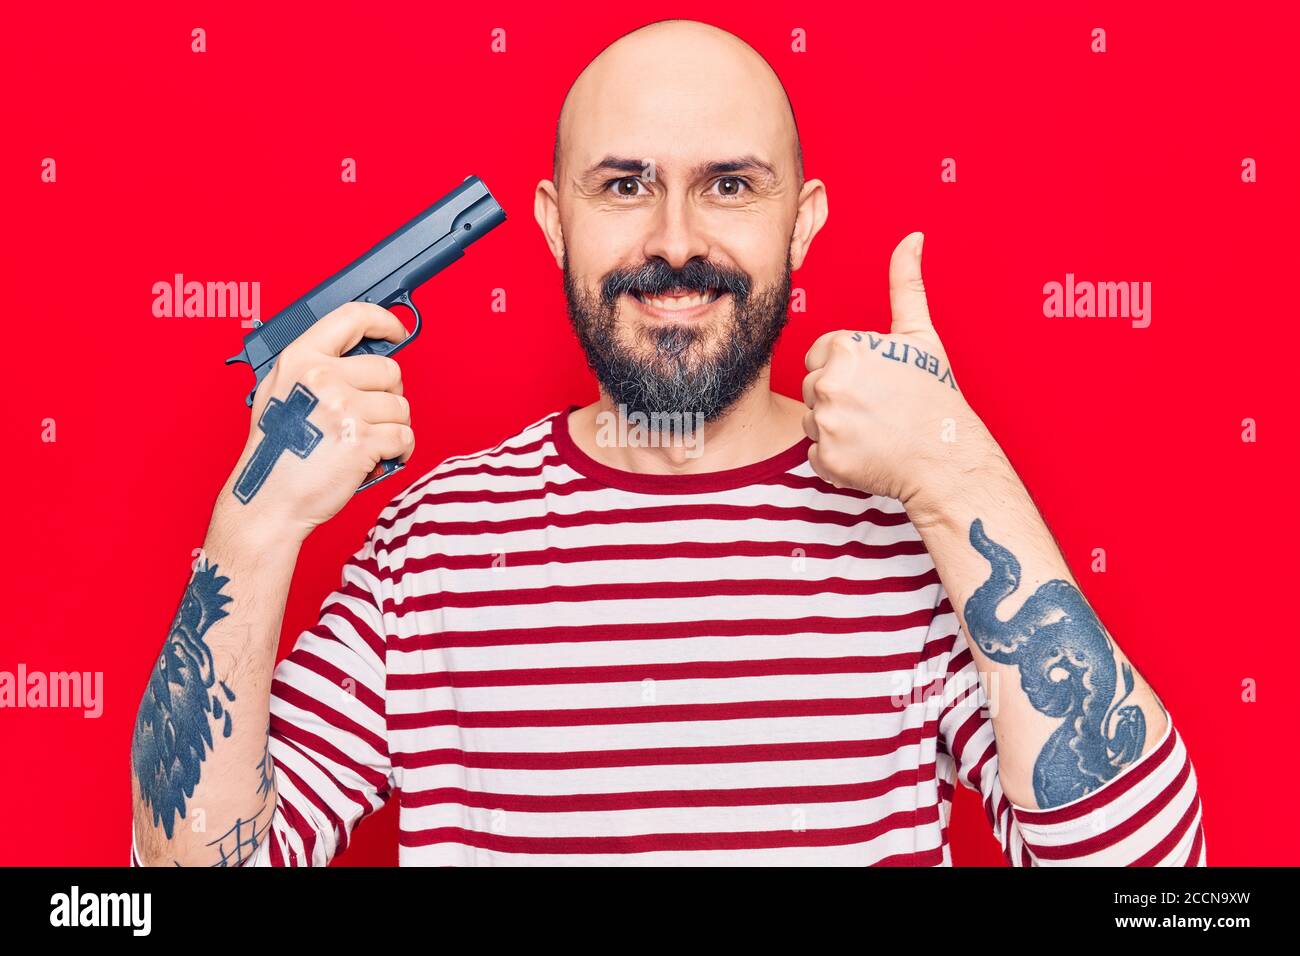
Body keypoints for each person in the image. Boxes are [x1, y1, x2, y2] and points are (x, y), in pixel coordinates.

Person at [130, 18, 1204, 866]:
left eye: (729, 186)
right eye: (625, 185)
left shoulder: (915, 534)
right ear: (556, 224)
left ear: (803, 221)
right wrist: (254, 519)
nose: (677, 242)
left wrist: (957, 470)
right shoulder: (432, 545)